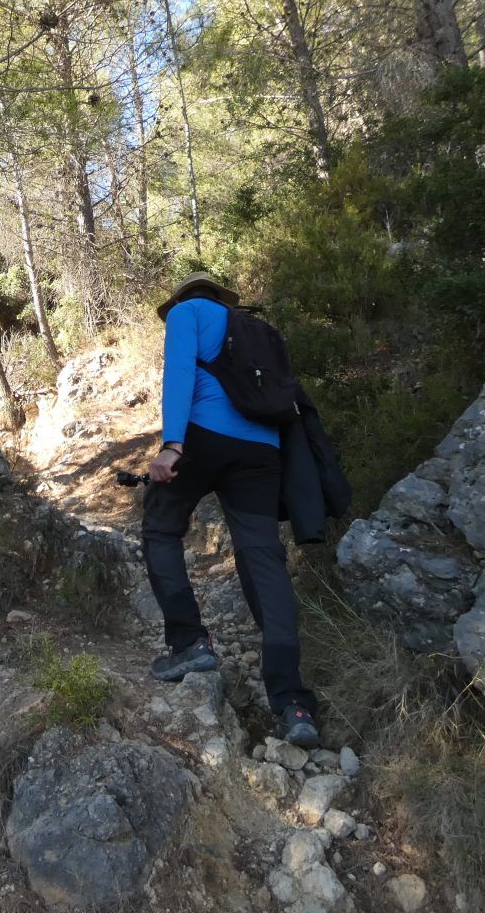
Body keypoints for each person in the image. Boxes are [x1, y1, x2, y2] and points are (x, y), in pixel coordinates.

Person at [141, 272, 321, 747]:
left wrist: (173, 445)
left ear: (181, 297)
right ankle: (293, 701)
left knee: (160, 529)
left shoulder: (185, 313)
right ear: (222, 297)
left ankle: (190, 643)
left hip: (201, 436)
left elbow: (179, 372)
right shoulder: (255, 330)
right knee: (263, 557)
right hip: (262, 449)